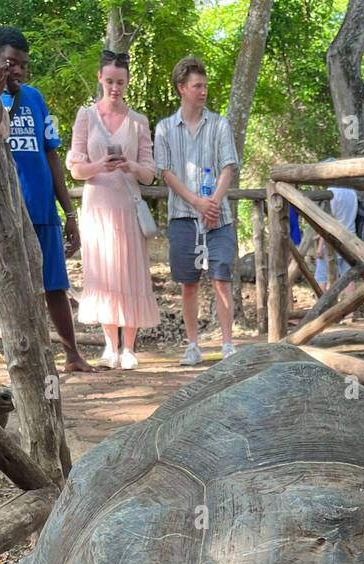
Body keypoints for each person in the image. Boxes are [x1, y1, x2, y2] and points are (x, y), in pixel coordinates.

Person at [0, 26, 93, 371]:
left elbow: (52, 155)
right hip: (0, 213)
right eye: (12, 63)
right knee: (9, 287)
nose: (20, 72)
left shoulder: (36, 98)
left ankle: (72, 355)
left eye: (24, 65)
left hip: (42, 210)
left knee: (55, 284)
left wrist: (69, 213)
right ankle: (22, 361)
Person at [67, 50, 160, 370]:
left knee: (131, 273)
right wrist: (98, 165)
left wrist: (131, 164)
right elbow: (74, 168)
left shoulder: (139, 122)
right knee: (103, 273)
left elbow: (150, 172)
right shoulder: (86, 116)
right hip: (97, 207)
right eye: (109, 81)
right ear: (100, 79)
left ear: (128, 81)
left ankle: (129, 348)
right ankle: (109, 346)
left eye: (120, 82)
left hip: (128, 204)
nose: (115, 87)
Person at [153, 56, 238, 366]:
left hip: (219, 217)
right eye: (197, 86)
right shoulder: (164, 128)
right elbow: (166, 172)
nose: (203, 91)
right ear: (182, 88)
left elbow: (228, 165)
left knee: (221, 277)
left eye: (205, 86)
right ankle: (192, 345)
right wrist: (196, 201)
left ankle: (228, 345)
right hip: (183, 216)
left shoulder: (219, 124)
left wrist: (212, 201)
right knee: (188, 282)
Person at [313, 180, 358, 296]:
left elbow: (328, 222)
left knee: (321, 276)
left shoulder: (331, 192)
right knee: (348, 276)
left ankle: (320, 309)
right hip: (350, 237)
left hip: (332, 239)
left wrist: (320, 246)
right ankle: (351, 311)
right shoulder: (352, 191)